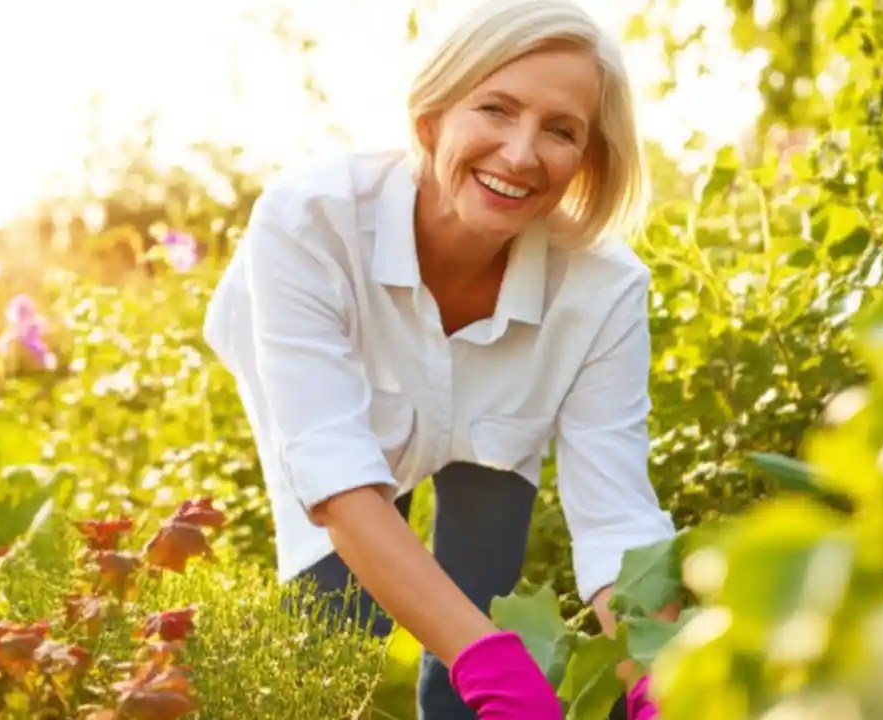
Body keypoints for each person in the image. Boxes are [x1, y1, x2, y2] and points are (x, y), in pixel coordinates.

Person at [203, 1, 677, 717]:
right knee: (338, 605)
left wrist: (661, 674)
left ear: (587, 160)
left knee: (480, 580)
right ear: (431, 119)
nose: (520, 154)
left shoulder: (602, 290)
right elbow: (336, 478)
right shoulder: (310, 222)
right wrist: (488, 663)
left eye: (560, 130)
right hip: (340, 374)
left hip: (493, 409)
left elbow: (617, 524)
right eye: (495, 109)